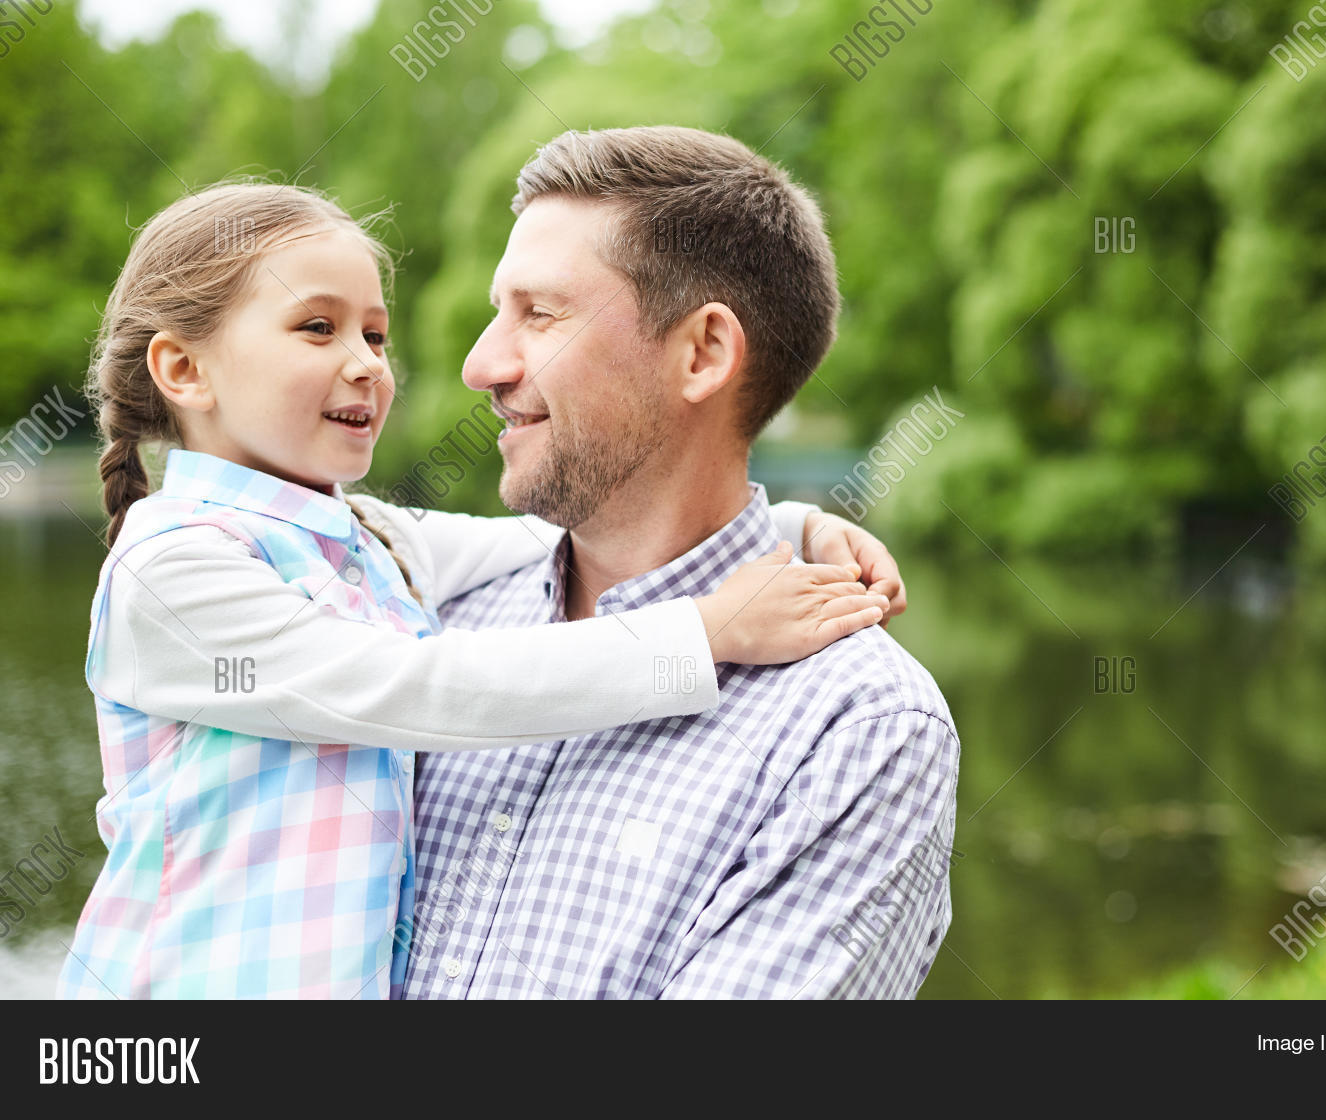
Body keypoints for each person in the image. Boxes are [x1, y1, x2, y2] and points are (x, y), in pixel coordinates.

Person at [57, 180, 898, 999]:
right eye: (319, 328)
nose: (366, 367)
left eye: (376, 337)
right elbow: (420, 687)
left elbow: (579, 531)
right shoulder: (173, 569)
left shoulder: (374, 539)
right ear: (184, 368)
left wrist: (785, 527)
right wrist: (703, 635)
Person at [399, 127, 959, 1000]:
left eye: (539, 313)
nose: (482, 365)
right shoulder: (425, 617)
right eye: (497, 310)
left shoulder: (861, 730)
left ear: (702, 353)